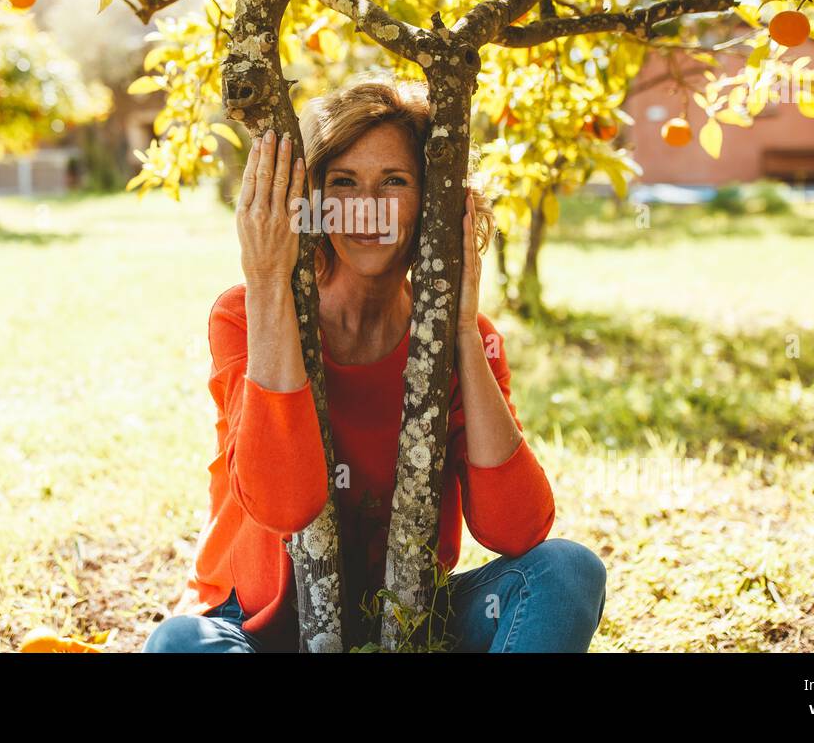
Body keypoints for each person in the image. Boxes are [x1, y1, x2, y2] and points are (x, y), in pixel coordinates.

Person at [143, 77, 606, 653]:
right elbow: (284, 506)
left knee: (567, 570)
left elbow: (518, 530)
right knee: (179, 644)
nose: (366, 208)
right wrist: (267, 284)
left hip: (410, 621)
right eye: (343, 183)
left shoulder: (465, 339)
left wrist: (461, 330)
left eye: (393, 181)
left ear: (431, 200)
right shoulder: (246, 312)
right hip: (257, 623)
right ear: (311, 199)